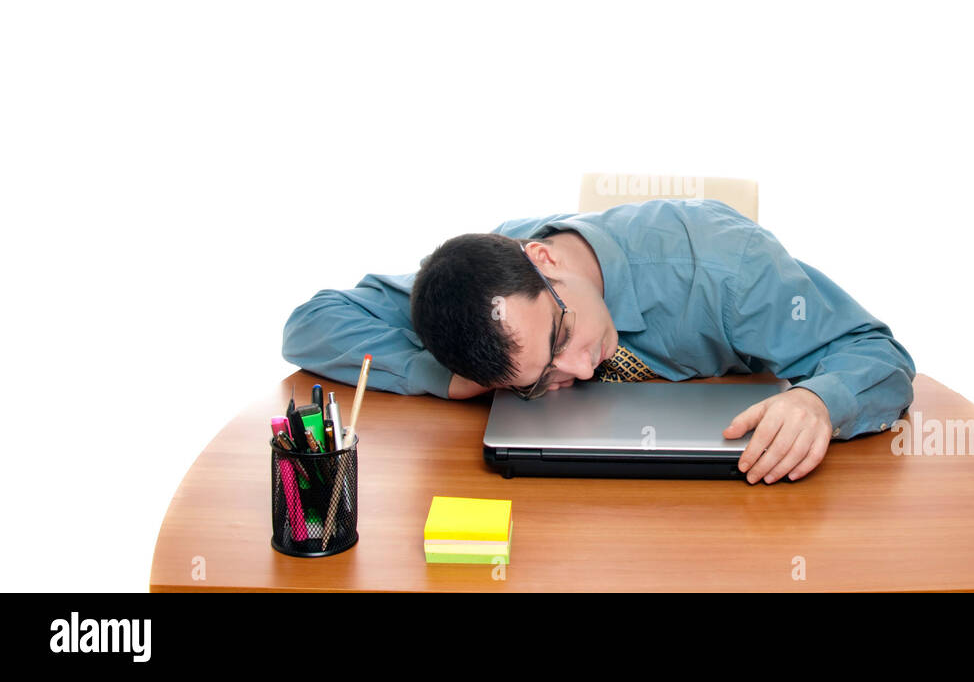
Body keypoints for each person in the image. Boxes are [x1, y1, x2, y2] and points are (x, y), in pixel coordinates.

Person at [282, 198, 915, 483]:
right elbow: (312, 324)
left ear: (544, 260)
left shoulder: (729, 269)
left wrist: (820, 403)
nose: (580, 371)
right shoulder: (480, 289)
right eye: (539, 380)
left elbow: (878, 355)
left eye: (561, 334)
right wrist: (441, 376)